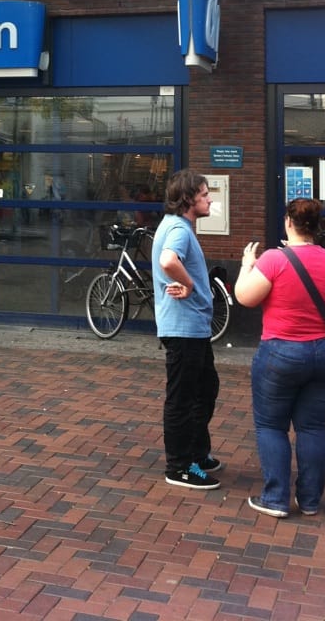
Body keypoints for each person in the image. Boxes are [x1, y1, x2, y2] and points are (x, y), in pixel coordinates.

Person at [235, 197, 325, 518]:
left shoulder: (273, 259)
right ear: (316, 226)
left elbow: (244, 297)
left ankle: (276, 499)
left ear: (288, 223)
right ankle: (310, 501)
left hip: (280, 353)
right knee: (312, 427)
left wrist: (246, 264)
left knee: (271, 425)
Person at [151, 169, 222, 490]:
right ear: (188, 199)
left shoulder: (174, 225)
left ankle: (196, 453)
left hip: (190, 327)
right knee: (182, 398)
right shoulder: (179, 228)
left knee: (205, 389)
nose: (209, 199)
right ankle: (179, 467)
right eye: (205, 194)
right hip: (183, 329)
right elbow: (168, 260)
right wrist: (190, 284)